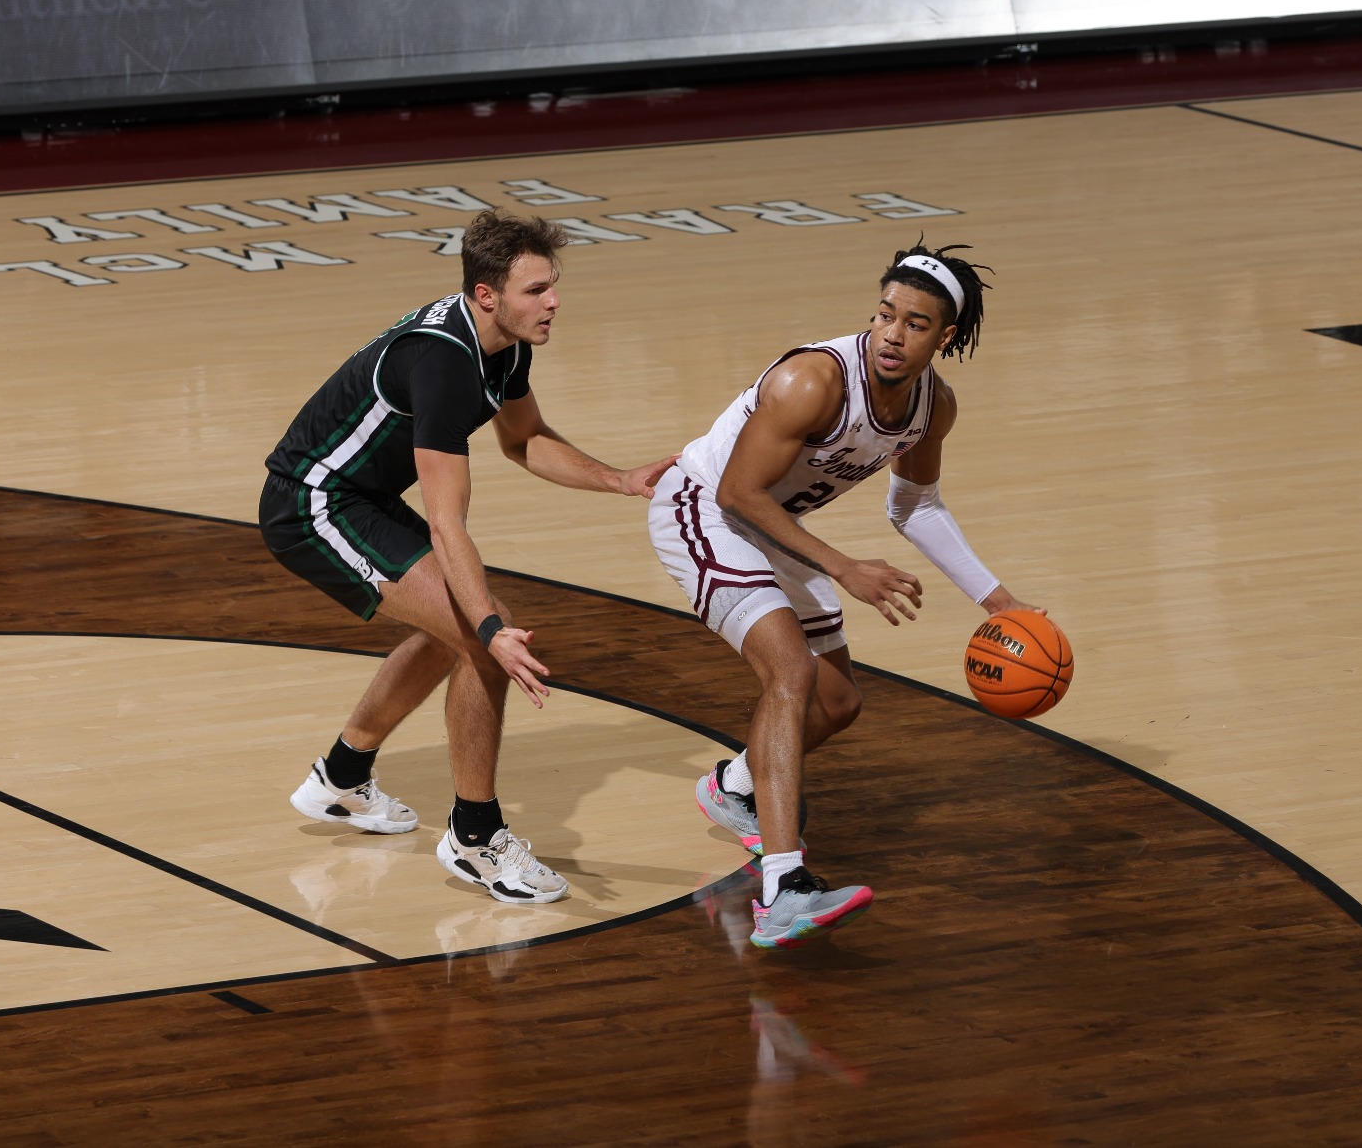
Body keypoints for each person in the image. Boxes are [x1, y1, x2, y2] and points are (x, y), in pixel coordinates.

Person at [261, 208, 674, 904]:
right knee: (478, 633)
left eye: (551, 285)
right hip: (313, 503)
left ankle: (341, 777)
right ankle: (475, 839)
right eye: (536, 289)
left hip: (362, 493)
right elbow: (448, 523)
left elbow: (525, 438)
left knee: (450, 625)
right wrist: (490, 631)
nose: (553, 301)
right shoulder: (445, 363)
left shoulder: (505, 346)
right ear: (488, 295)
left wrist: (619, 478)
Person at [649, 240, 1039, 947]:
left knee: (837, 702)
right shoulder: (815, 380)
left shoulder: (933, 406)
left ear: (943, 337)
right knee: (790, 671)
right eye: (886, 314)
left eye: (915, 323)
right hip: (703, 507)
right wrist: (845, 567)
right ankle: (784, 887)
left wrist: (998, 600)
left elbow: (915, 505)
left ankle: (735, 786)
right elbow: (738, 489)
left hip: (769, 523)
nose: (892, 333)